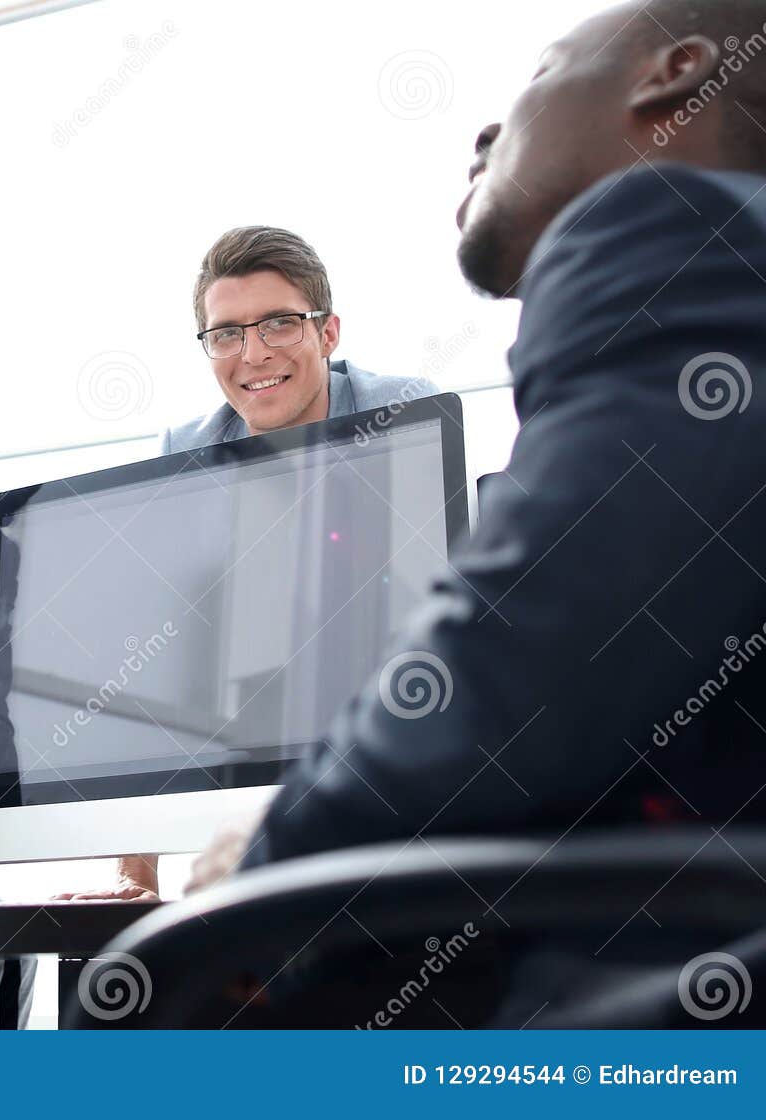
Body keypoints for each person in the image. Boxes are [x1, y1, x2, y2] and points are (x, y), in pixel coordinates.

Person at [190, 0, 766, 887]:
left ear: (673, 76)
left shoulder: (670, 236)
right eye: (226, 334)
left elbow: (521, 675)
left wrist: (261, 867)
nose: (489, 129)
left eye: (543, 73)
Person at [60, 226, 436, 901]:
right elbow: (150, 660)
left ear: (328, 332)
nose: (253, 354)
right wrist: (135, 874)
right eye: (226, 334)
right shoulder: (187, 454)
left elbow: (433, 610)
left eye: (279, 324)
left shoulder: (400, 411)